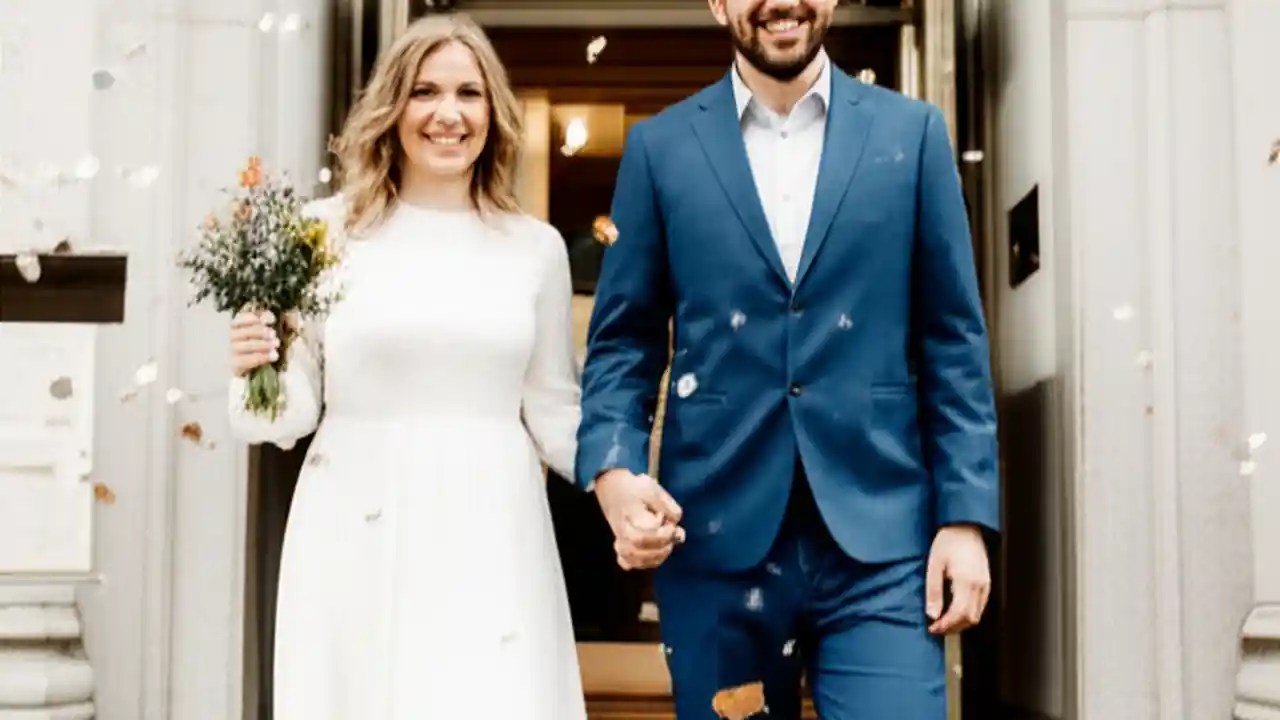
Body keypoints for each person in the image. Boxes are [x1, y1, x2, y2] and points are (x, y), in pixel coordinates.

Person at [576, 0, 1000, 717]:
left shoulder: (914, 134)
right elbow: (625, 341)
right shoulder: (662, 148)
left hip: (883, 544)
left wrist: (966, 517)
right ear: (717, 4)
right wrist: (614, 471)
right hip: (712, 536)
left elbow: (952, 338)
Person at [226, 15, 587, 720]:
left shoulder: (534, 248)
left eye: (469, 93)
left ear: (494, 112)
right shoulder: (323, 231)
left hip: (491, 520)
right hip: (354, 515)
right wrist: (253, 366)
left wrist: (627, 477)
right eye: (425, 91)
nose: (448, 114)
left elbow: (553, 410)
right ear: (392, 108)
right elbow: (290, 411)